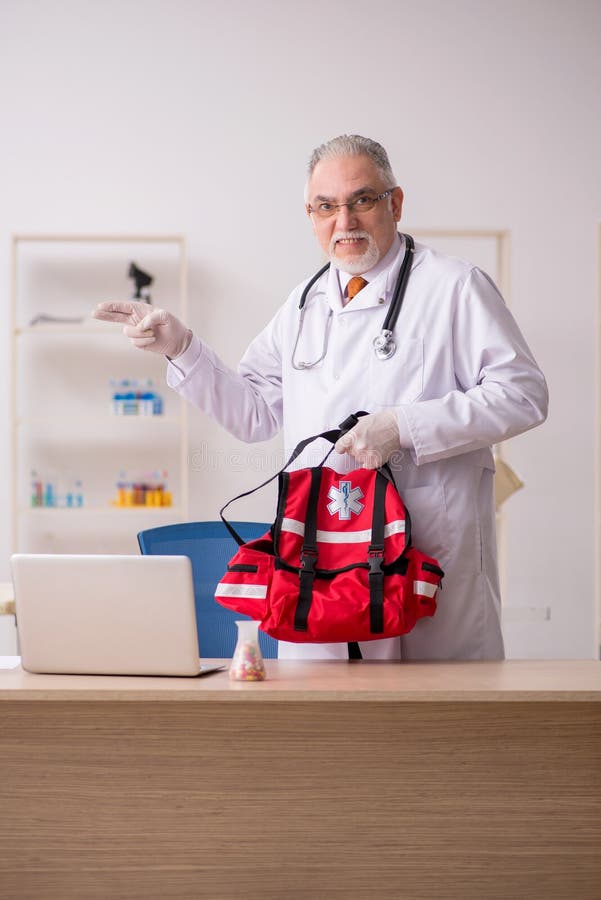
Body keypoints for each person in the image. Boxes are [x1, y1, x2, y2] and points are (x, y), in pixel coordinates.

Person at [93, 134, 548, 661]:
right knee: (321, 731)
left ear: (395, 203)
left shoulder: (453, 287)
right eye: (326, 207)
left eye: (362, 200)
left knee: (437, 730)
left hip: (430, 552)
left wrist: (402, 426)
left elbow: (523, 394)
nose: (345, 221)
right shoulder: (303, 304)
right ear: (310, 216)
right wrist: (183, 349)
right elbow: (255, 414)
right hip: (322, 560)